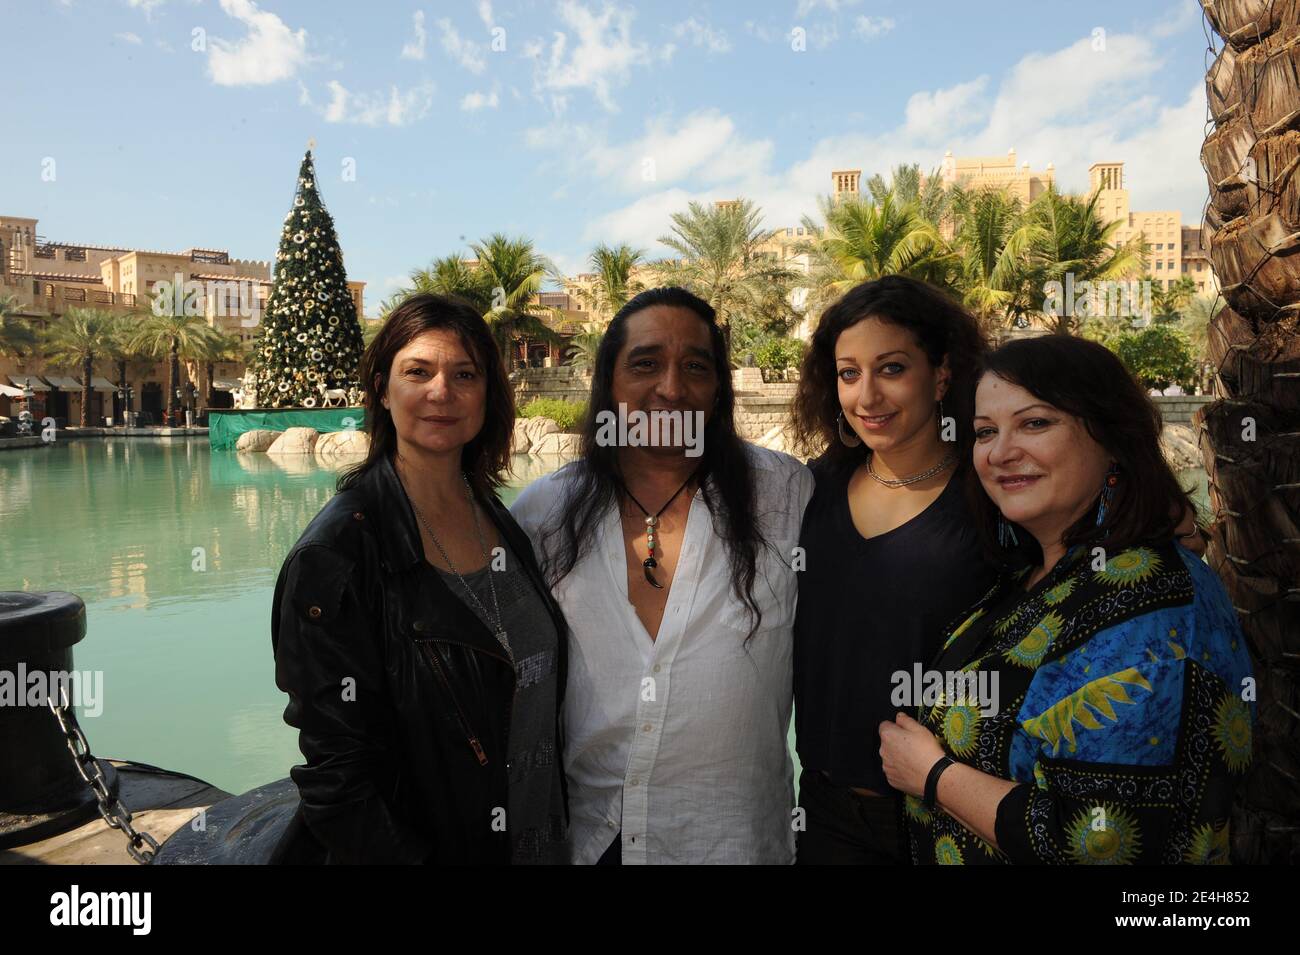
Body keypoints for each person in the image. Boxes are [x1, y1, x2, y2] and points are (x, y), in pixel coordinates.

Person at [880, 334, 1255, 864]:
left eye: (1035, 423)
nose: (1001, 451)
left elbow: (1108, 839)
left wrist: (934, 775)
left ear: (1112, 438)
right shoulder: (1033, 575)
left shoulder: (1156, 604)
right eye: (986, 431)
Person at [510, 286, 813, 864]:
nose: (671, 388)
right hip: (594, 839)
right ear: (609, 383)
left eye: (695, 367)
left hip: (736, 840)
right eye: (645, 364)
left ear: (719, 386)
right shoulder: (543, 513)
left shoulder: (788, 494)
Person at [270, 293, 569, 864]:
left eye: (464, 374)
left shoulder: (495, 515)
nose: (441, 392)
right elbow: (339, 783)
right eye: (418, 372)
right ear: (383, 389)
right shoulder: (336, 557)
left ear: (487, 394)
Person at [789, 275, 995, 864]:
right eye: (849, 373)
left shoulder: (992, 497)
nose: (867, 396)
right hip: (826, 810)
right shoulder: (814, 488)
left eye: (893, 368)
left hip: (950, 812)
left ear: (944, 372)